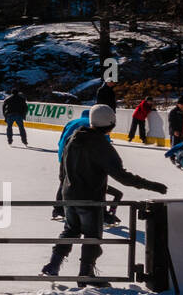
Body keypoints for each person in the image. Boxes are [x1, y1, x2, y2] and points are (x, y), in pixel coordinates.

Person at [41, 105, 167, 285]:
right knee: (92, 237)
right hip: (90, 199)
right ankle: (86, 274)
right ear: (111, 124)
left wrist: (66, 190)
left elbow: (63, 171)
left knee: (70, 230)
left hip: (69, 195)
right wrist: (152, 185)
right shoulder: (100, 144)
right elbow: (122, 176)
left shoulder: (73, 139)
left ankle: (52, 266)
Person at [53, 109, 91, 219]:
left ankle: (58, 210)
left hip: (64, 153)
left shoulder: (72, 122)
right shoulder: (93, 124)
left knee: (64, 181)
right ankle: (86, 211)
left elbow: (61, 140)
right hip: (81, 157)